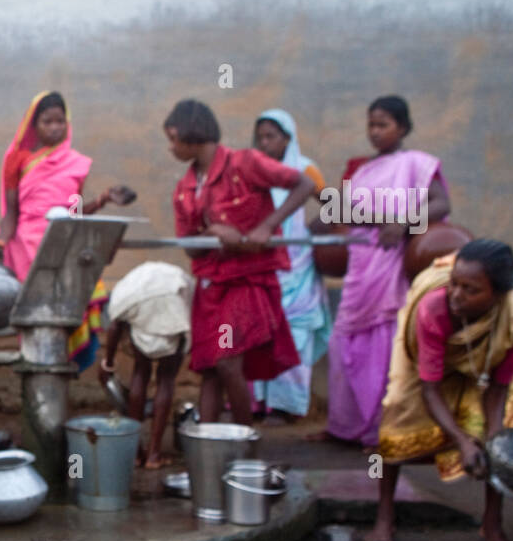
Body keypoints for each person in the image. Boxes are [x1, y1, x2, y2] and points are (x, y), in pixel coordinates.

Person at [367, 240, 513, 541]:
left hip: (485, 370)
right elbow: (429, 388)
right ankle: (384, 515)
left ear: (498, 294)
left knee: (500, 433)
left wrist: (492, 442)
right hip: (423, 365)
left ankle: (492, 525)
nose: (456, 294)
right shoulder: (433, 308)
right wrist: (462, 442)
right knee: (396, 417)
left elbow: (500, 385)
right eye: (454, 283)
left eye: (470, 289)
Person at [308, 95, 451, 446]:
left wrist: (402, 223)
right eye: (371, 124)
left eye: (383, 124)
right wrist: (317, 221)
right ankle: (344, 427)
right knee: (344, 345)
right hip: (360, 267)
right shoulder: (363, 171)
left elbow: (442, 203)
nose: (375, 132)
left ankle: (381, 429)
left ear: (402, 127)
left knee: (383, 345)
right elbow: (343, 215)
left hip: (391, 265)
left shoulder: (416, 163)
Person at [164, 100, 316, 425]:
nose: (170, 147)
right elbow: (191, 250)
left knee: (227, 361)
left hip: (246, 284)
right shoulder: (184, 190)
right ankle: (207, 450)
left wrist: (266, 226)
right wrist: (211, 233)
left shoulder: (244, 163)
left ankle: (244, 445)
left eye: (173, 138)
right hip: (211, 290)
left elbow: (304, 185)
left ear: (193, 132)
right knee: (210, 369)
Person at [0, 91, 134, 370]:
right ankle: (36, 373)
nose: (55, 127)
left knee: (67, 310)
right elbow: (11, 213)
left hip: (66, 242)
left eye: (60, 121)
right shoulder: (17, 160)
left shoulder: (75, 163)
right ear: (34, 125)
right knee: (37, 314)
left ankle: (61, 374)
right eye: (47, 121)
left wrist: (103, 200)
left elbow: (73, 213)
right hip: (29, 248)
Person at [249, 109, 331, 422]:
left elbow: (332, 204)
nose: (264, 143)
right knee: (258, 333)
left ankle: (289, 407)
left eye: (271, 136)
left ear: (288, 138)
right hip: (261, 263)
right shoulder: (253, 170)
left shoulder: (305, 169)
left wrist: (316, 228)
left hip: (297, 267)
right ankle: (257, 401)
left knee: (294, 334)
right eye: (260, 137)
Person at [98, 261, 194, 467]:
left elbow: (115, 326)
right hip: (172, 302)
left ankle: (135, 453)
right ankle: (153, 454)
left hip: (144, 302)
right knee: (166, 379)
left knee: (140, 372)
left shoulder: (123, 295)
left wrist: (109, 361)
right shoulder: (184, 284)